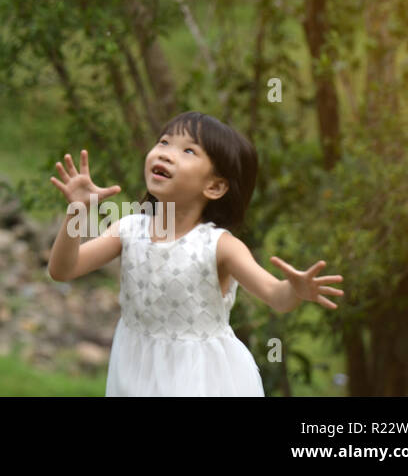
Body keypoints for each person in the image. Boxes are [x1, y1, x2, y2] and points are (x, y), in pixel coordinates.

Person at [47, 111, 345, 396]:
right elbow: (63, 270)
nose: (165, 152)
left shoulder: (220, 246)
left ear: (215, 186)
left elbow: (276, 296)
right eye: (164, 142)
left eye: (188, 151)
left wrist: (295, 289)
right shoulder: (129, 229)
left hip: (200, 379)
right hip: (134, 372)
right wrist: (77, 211)